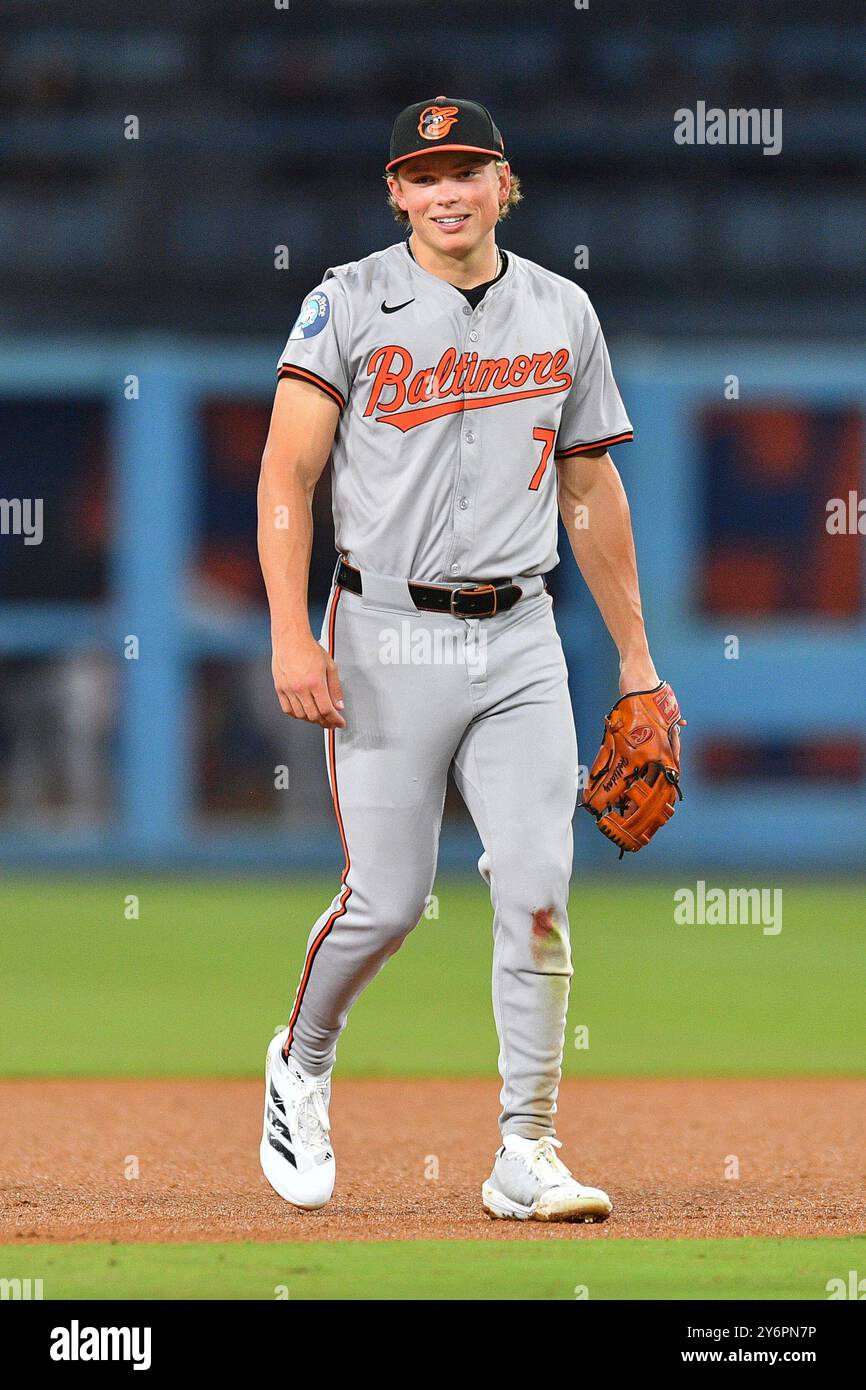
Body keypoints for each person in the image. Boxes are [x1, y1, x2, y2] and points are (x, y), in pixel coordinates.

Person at [256, 96, 675, 1222]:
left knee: (538, 886)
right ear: (395, 192)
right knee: (387, 900)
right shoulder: (345, 301)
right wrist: (292, 632)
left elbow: (588, 487)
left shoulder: (561, 308)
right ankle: (300, 1057)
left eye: (466, 169)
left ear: (504, 182)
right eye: (422, 173)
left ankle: (524, 1148)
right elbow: (287, 475)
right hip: (383, 630)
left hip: (521, 636)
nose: (445, 191)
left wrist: (636, 663)